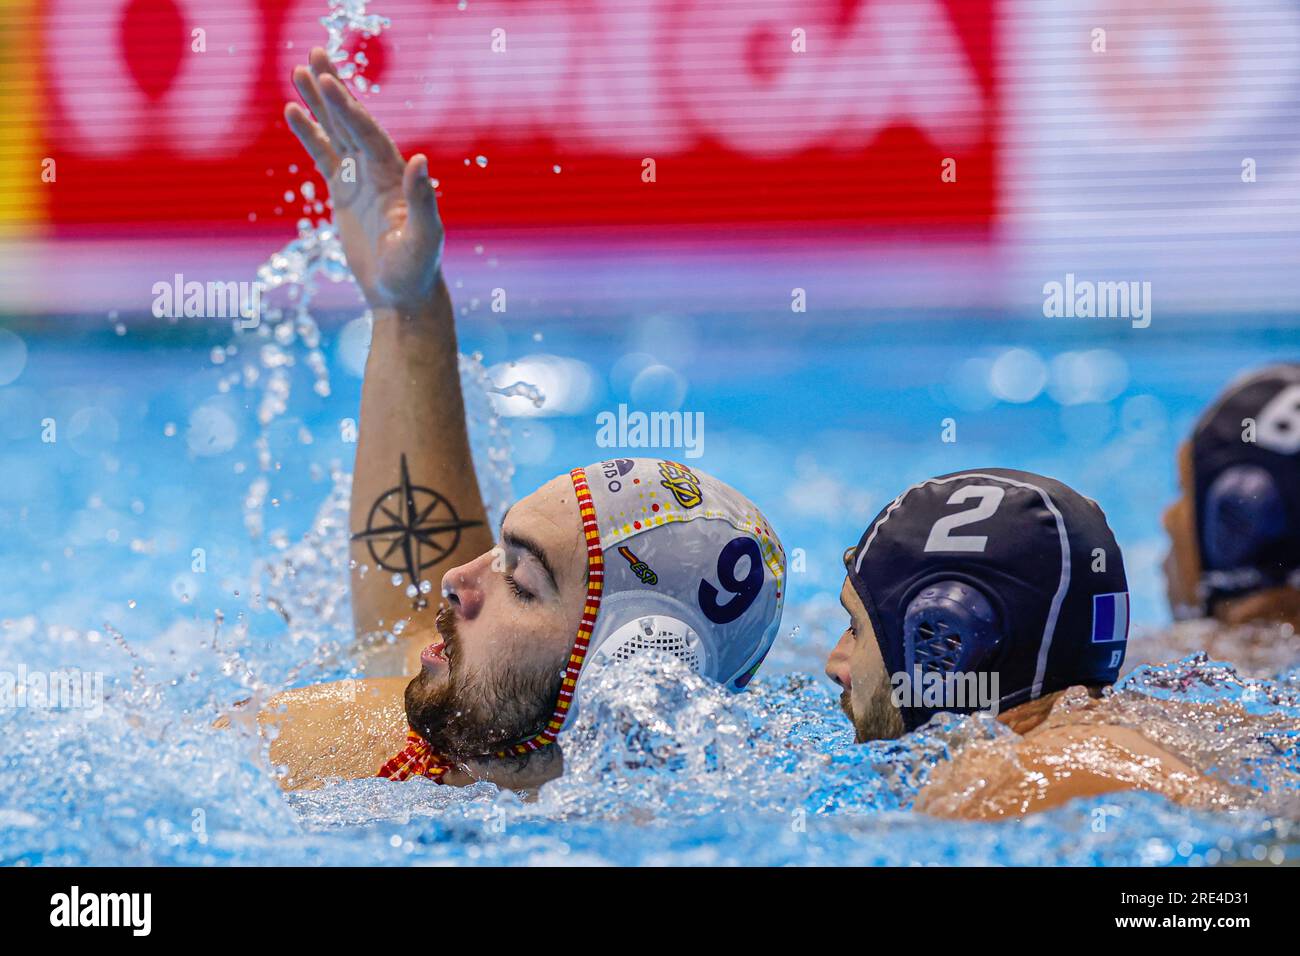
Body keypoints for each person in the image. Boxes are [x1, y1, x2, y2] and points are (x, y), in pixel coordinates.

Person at [241, 51, 786, 792]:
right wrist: (409, 307)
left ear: (617, 673)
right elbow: (403, 609)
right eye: (499, 557)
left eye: (522, 584)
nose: (454, 581)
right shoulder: (444, 740)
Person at [825, 468, 1230, 819]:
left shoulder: (996, 794)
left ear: (942, 643)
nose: (835, 663)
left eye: (856, 627)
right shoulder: (1168, 733)